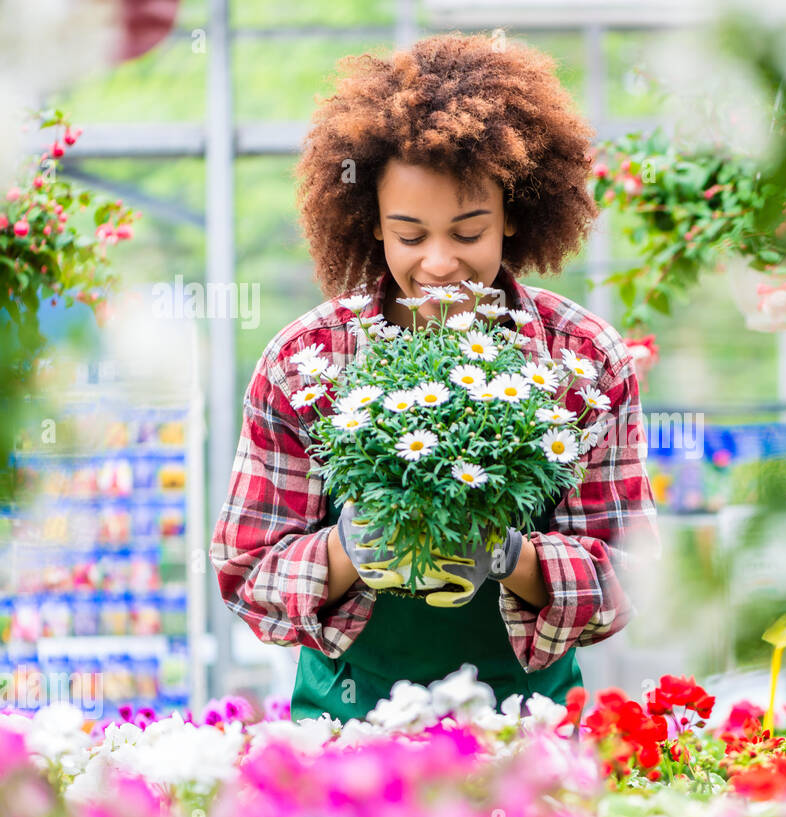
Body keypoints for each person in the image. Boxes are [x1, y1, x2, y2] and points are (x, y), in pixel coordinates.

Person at [209, 32, 660, 722]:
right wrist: (349, 548)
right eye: (411, 236)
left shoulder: (585, 361)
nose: (441, 263)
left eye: (469, 230)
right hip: (349, 730)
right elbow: (246, 572)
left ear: (515, 212)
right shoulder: (306, 362)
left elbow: (629, 576)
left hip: (524, 729)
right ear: (371, 225)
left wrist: (513, 558)